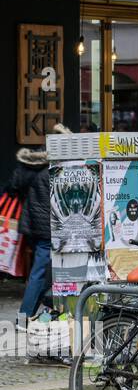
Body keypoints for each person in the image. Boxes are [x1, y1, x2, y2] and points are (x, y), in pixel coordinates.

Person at [5, 124, 71, 322]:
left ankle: (38, 311)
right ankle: (26, 316)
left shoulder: (32, 164)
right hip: (56, 226)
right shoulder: (65, 164)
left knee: (43, 271)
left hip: (35, 227)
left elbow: (12, 187)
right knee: (44, 272)